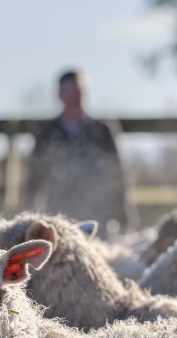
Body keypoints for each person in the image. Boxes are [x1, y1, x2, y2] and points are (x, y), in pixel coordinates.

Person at [24, 69, 135, 238]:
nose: (75, 97)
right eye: (70, 92)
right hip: (58, 215)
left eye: (79, 92)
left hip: (98, 216)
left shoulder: (101, 131)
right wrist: (29, 218)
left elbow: (116, 174)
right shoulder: (47, 133)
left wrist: (124, 216)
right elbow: (34, 178)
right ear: (60, 94)